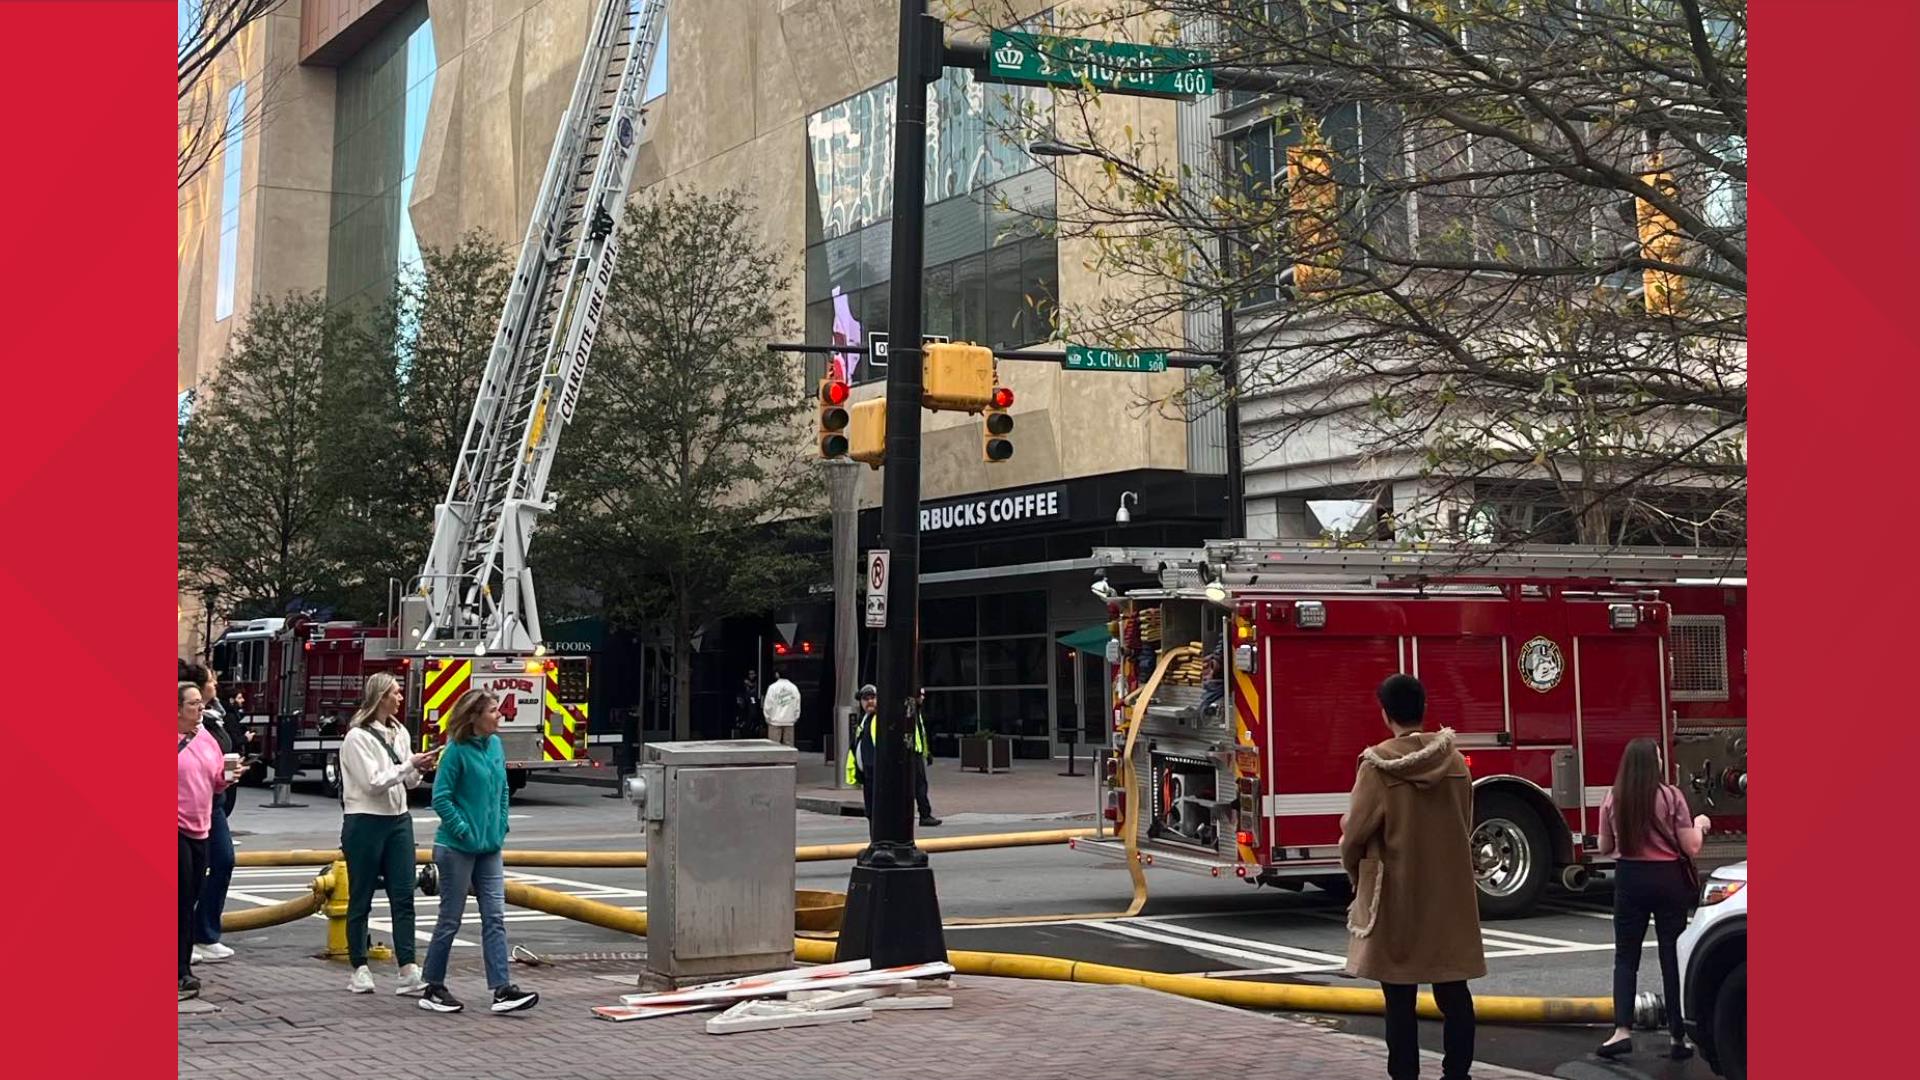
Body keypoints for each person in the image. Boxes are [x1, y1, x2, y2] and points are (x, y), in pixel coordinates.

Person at [1339, 674, 1484, 1080]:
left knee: (1398, 996)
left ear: (1385, 714)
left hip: (1399, 893)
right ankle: (1458, 1073)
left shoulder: (1378, 766)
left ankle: (1405, 1075)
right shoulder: (1454, 761)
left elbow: (1355, 835)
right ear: (1424, 708)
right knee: (1455, 990)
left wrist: (1354, 871)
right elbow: (1465, 822)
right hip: (1450, 892)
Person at [419, 690, 539, 1014]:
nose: (500, 715)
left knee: (495, 917)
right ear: (473, 717)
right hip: (455, 848)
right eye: (492, 711)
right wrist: (464, 829)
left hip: (490, 848)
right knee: (450, 919)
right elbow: (441, 798)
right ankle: (433, 986)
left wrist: (501, 826)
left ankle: (502, 990)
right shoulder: (455, 752)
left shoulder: (496, 746)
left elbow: (501, 789)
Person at [1594, 737, 1711, 1061]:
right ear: (1653, 763)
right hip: (1667, 880)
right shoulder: (1671, 796)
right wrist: (1700, 824)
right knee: (1671, 956)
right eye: (1658, 756)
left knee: (1625, 958)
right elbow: (1691, 847)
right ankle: (1678, 1036)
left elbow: (1604, 847)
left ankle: (1621, 1031)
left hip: (1630, 879)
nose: (1661, 761)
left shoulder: (1614, 797)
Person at [339, 672, 438, 997]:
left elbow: (407, 783)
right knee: (361, 896)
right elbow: (372, 782)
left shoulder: (399, 731)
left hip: (398, 819)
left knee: (403, 894)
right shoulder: (357, 737)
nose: (400, 697)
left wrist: (417, 769)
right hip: (365, 819)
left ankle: (408, 967)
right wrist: (408, 763)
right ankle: (359, 967)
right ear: (380, 697)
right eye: (395, 693)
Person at [181, 661, 238, 965]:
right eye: (212, 680)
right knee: (187, 876)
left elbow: (217, 762)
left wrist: (227, 775)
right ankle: (191, 940)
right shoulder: (194, 725)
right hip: (186, 809)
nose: (216, 683)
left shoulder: (212, 719)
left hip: (210, 803)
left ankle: (201, 934)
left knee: (218, 862)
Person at [177, 680, 228, 1001]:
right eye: (193, 704)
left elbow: (216, 778)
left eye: (201, 703)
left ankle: (182, 964)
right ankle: (181, 970)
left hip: (201, 826)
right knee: (179, 900)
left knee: (192, 896)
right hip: (175, 827)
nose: (200, 709)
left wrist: (229, 775)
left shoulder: (205, 737)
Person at [844, 685, 879, 827]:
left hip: (878, 775)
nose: (869, 701)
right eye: (866, 699)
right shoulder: (864, 720)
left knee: (879, 812)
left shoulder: (881, 719)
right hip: (868, 775)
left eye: (873, 698)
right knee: (871, 813)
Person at [911, 690, 940, 827]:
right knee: (920, 786)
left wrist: (927, 753)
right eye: (920, 695)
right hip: (912, 754)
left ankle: (925, 814)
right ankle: (925, 815)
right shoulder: (911, 713)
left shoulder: (917, 713)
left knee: (919, 786)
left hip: (917, 753)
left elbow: (921, 736)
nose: (922, 698)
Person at [763, 672, 801, 746]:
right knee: (789, 748)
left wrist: (767, 717)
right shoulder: (794, 687)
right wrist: (796, 716)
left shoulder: (772, 687)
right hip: (789, 721)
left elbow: (768, 704)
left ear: (777, 674)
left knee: (774, 747)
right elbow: (797, 703)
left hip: (775, 721)